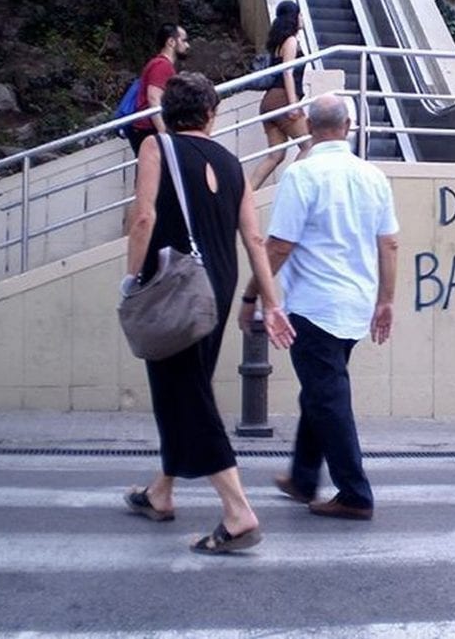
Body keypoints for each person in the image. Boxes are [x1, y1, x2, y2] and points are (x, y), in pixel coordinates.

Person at [123, 72, 295, 554]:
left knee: (186, 393)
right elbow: (255, 239)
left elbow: (143, 218)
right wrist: (272, 302)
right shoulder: (233, 164)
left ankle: (238, 511)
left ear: (168, 113)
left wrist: (130, 281)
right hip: (215, 289)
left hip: (172, 286)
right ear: (212, 114)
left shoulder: (158, 148)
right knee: (186, 386)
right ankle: (162, 492)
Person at [239, 94, 399, 521]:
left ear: (309, 128)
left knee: (328, 395)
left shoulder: (302, 175)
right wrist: (386, 299)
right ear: (348, 126)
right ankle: (304, 477)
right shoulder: (373, 176)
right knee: (322, 388)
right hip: (355, 305)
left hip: (312, 304)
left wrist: (253, 295)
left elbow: (277, 247)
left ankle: (354, 492)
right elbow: (389, 243)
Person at [249, 0, 308, 190]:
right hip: (283, 99)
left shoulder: (277, 44)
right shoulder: (291, 41)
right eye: (300, 14)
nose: (302, 18)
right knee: (311, 145)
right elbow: (288, 72)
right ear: (294, 17)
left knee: (276, 155)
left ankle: (247, 194)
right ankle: (288, 188)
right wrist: (293, 105)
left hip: (269, 101)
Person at [126, 24, 190, 156]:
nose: (187, 45)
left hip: (144, 130)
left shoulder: (160, 64)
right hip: (148, 129)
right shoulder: (162, 66)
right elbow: (153, 98)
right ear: (171, 42)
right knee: (156, 172)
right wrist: (164, 133)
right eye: (183, 40)